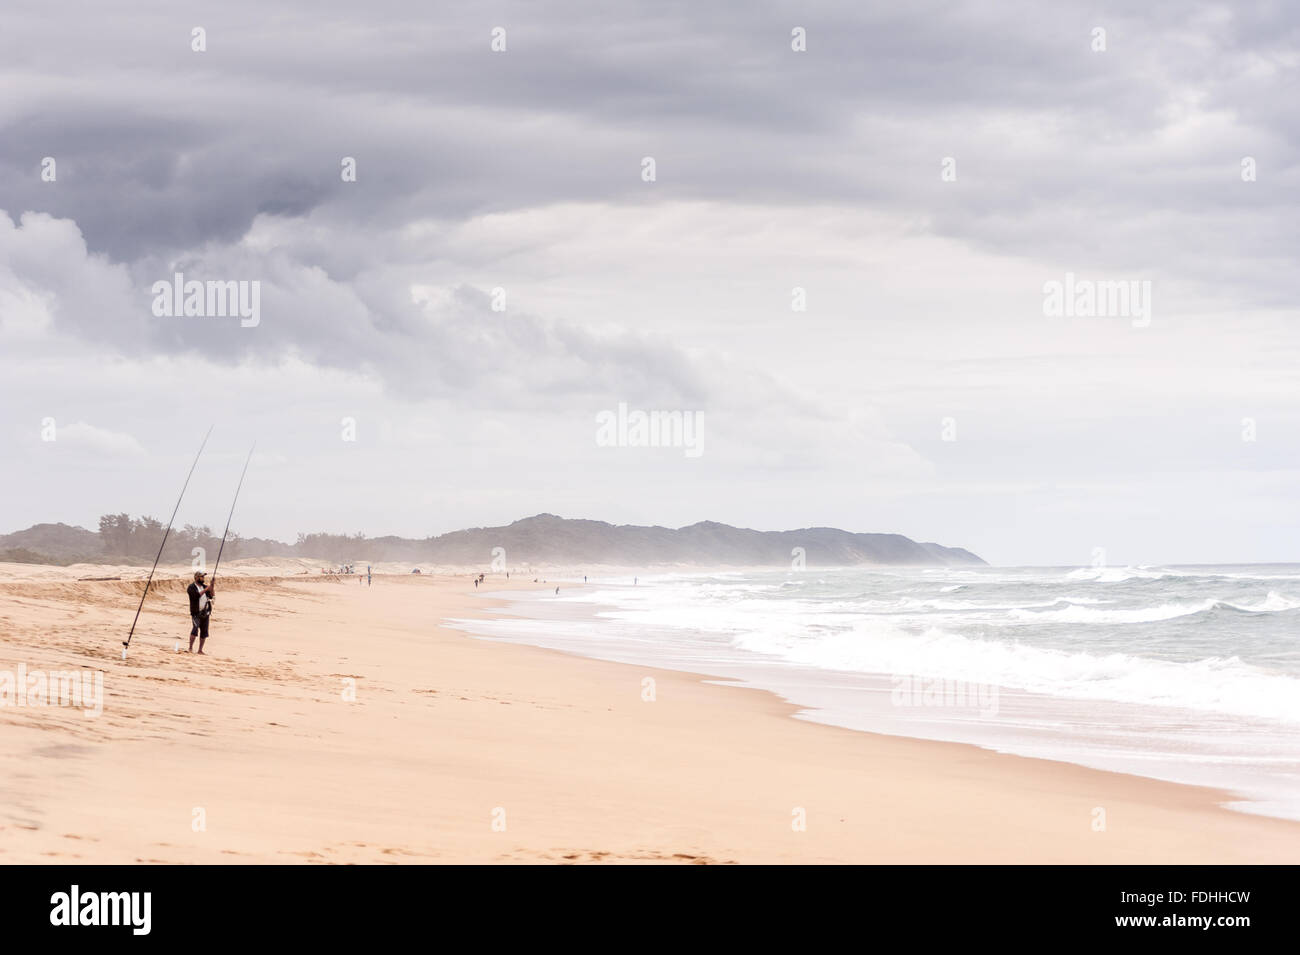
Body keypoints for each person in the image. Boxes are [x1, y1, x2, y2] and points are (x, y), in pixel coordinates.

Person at [187, 570, 214, 654]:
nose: (203, 578)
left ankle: (200, 650)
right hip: (196, 612)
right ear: (196, 578)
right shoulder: (191, 587)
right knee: (195, 629)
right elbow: (196, 596)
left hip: (205, 612)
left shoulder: (204, 586)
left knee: (204, 631)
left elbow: (212, 595)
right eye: (201, 577)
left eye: (203, 577)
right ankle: (190, 648)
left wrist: (212, 586)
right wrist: (206, 589)